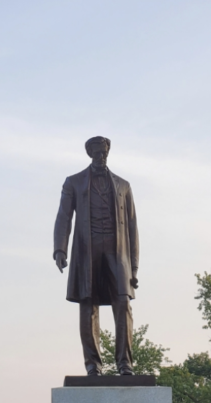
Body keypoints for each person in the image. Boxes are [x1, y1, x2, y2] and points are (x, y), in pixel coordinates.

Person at [53, 137, 139, 376]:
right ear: (89, 153)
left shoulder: (123, 186)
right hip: (87, 250)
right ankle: (93, 365)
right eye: (97, 153)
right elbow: (63, 217)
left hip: (116, 252)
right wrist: (60, 249)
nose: (102, 156)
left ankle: (125, 363)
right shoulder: (74, 182)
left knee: (123, 303)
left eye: (104, 152)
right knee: (88, 303)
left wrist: (133, 267)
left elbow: (132, 228)